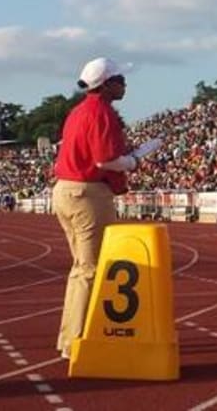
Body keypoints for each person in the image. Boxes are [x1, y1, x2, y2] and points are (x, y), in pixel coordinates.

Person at [53, 57, 160, 359]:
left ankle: (70, 337)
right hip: (88, 193)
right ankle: (77, 342)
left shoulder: (79, 112)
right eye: (120, 80)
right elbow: (104, 160)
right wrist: (135, 160)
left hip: (67, 190)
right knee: (90, 270)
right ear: (107, 83)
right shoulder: (101, 112)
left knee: (81, 269)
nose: (124, 84)